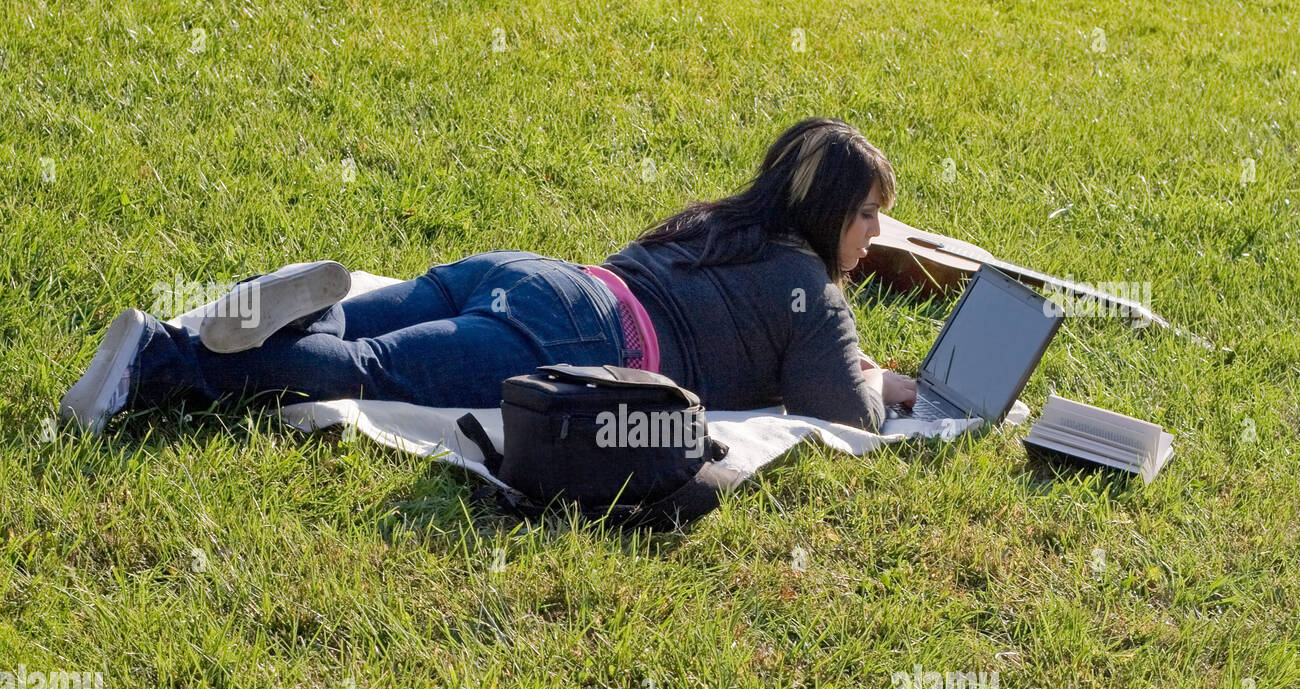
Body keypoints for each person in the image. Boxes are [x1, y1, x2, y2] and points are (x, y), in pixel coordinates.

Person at [59, 116, 917, 436]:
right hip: (576, 336)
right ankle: (159, 359)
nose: (876, 236)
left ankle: (279, 306)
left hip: (523, 275)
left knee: (354, 324)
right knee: (373, 374)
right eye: (867, 215)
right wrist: (880, 379)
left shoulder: (719, 222)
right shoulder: (813, 292)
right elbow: (842, 417)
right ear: (829, 213)